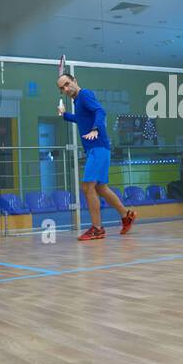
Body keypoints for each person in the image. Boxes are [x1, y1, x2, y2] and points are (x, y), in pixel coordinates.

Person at [57, 73, 136, 240]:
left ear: (74, 81)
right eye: (62, 88)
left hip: (98, 147)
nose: (65, 89)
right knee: (100, 188)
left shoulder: (85, 94)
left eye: (67, 84)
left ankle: (97, 228)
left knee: (87, 187)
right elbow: (80, 119)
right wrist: (64, 115)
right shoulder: (78, 101)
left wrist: (95, 128)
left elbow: (100, 111)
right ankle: (126, 215)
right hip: (97, 149)